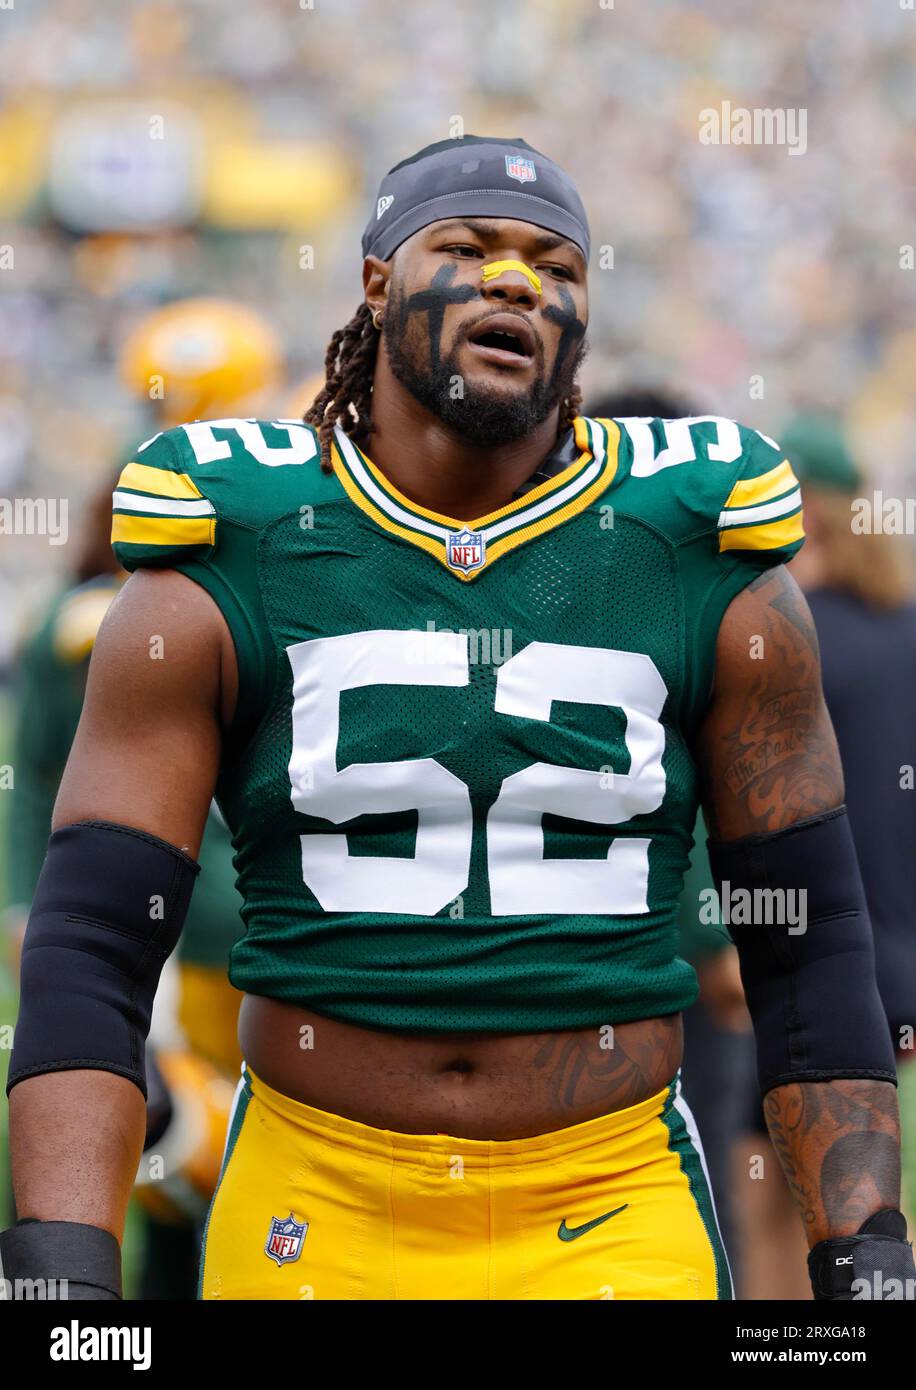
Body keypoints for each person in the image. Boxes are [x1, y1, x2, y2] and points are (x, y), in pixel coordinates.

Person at [3, 137, 912, 1302]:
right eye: (469, 248)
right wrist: (61, 1264)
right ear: (376, 281)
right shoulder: (232, 545)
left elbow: (808, 939)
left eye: (554, 263)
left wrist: (867, 1249)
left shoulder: (699, 554)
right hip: (315, 1191)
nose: (517, 284)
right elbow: (94, 935)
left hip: (610, 1193)